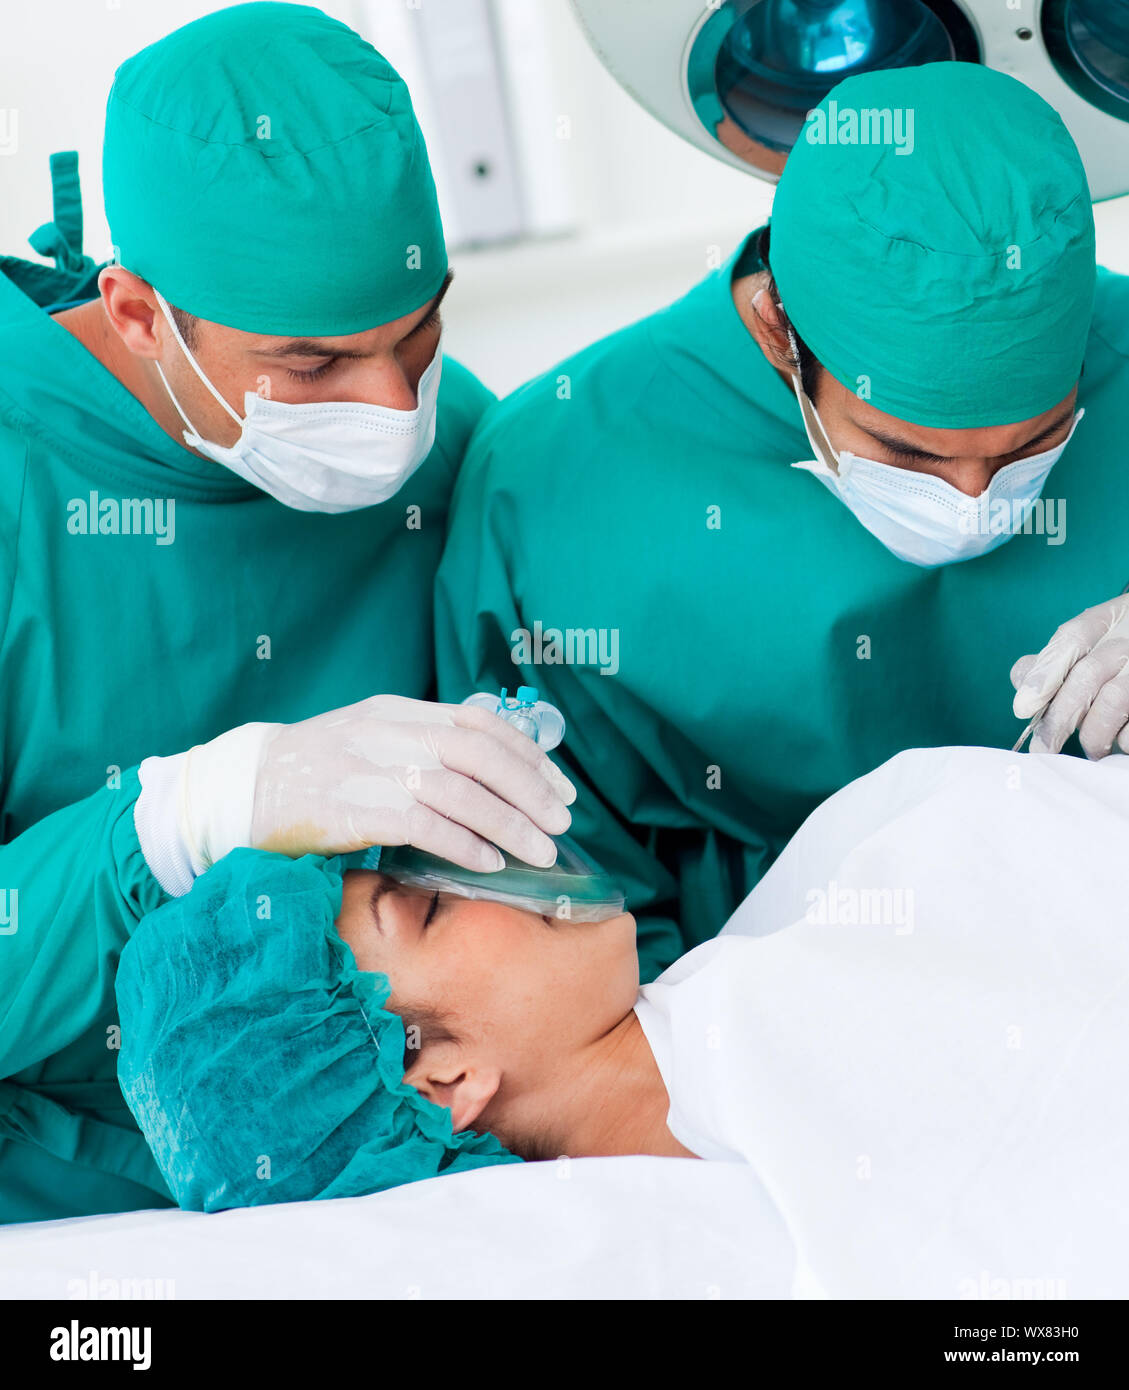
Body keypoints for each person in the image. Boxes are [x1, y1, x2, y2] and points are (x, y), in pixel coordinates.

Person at [0, 2, 573, 1225]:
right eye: (313, 368)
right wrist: (183, 816)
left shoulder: (450, 435)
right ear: (139, 310)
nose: (389, 410)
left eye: (419, 334)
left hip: (429, 1168)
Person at [434, 60, 1129, 981]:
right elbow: (570, 920)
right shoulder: (556, 478)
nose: (973, 503)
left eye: (1030, 447)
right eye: (908, 455)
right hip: (753, 1022)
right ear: (775, 331)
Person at [117, 743, 1129, 1297]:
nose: (476, 859)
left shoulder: (858, 861)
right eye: (424, 902)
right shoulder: (693, 1241)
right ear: (441, 1076)